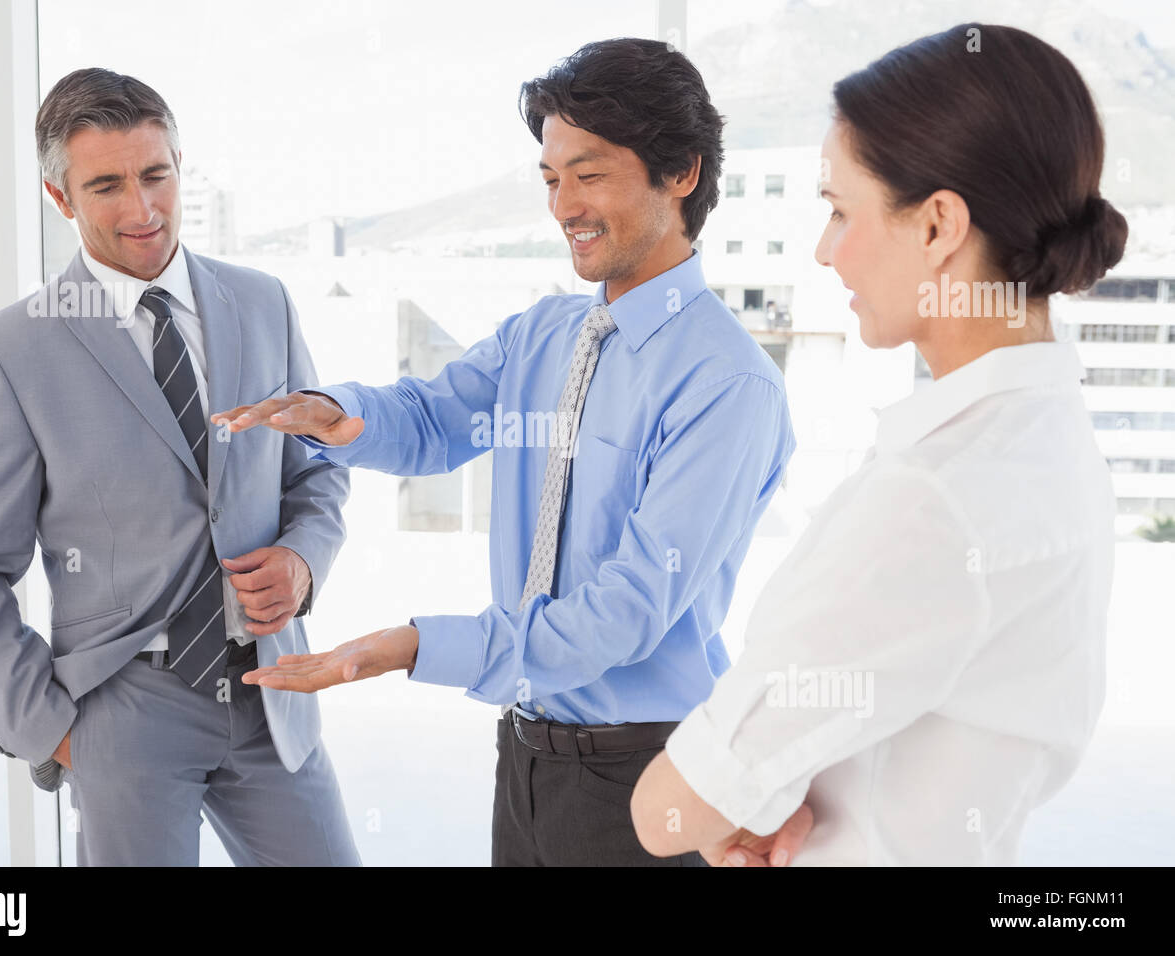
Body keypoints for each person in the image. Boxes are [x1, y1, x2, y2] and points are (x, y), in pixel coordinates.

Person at [213, 38, 811, 867]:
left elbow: (627, 613)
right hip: (526, 757)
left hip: (651, 773)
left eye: (589, 173)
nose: (564, 205)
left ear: (682, 174)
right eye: (550, 178)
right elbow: (433, 418)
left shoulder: (727, 384)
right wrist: (334, 413)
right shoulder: (545, 334)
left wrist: (415, 647)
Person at [630, 22, 1126, 866]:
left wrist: (718, 806)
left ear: (937, 226)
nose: (826, 252)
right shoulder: (1046, 434)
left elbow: (666, 815)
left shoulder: (933, 499)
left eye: (839, 211)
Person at [0, 68, 359, 866]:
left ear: (180, 164)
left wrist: (302, 561)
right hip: (124, 707)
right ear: (62, 199)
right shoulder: (12, 352)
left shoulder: (265, 304)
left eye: (155, 175)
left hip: (272, 691)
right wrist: (46, 730)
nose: (142, 209)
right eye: (107, 185)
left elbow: (316, 471)